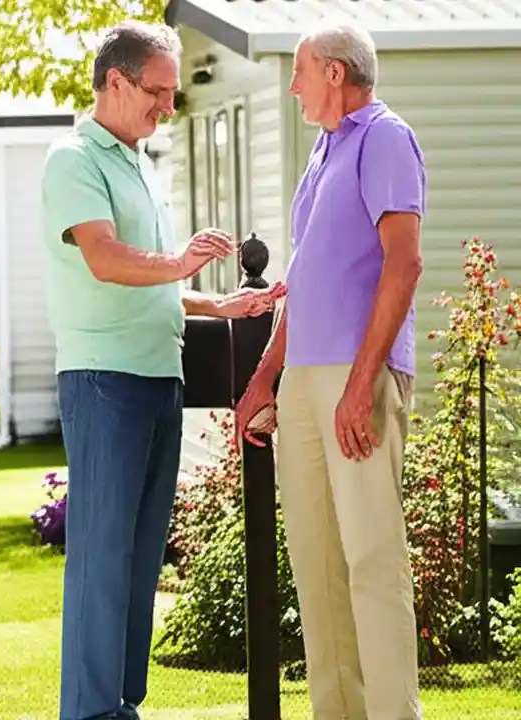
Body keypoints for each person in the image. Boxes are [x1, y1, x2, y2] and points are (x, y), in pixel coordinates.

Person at [40, 20, 286, 720]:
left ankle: (122, 703)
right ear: (114, 82)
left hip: (156, 378)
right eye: (156, 92)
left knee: (143, 557)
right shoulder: (73, 160)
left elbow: (151, 281)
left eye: (172, 95)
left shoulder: (140, 164)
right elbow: (105, 258)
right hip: (102, 380)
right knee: (102, 557)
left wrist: (217, 302)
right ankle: (90, 712)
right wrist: (180, 260)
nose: (165, 108)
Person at [235, 21, 425, 720]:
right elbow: (306, 279)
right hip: (305, 380)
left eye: (301, 71)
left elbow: (403, 263)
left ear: (336, 74)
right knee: (316, 565)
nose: (292, 86)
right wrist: (265, 377)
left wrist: (357, 386)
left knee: (371, 557)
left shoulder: (384, 138)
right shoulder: (321, 153)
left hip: (357, 374)